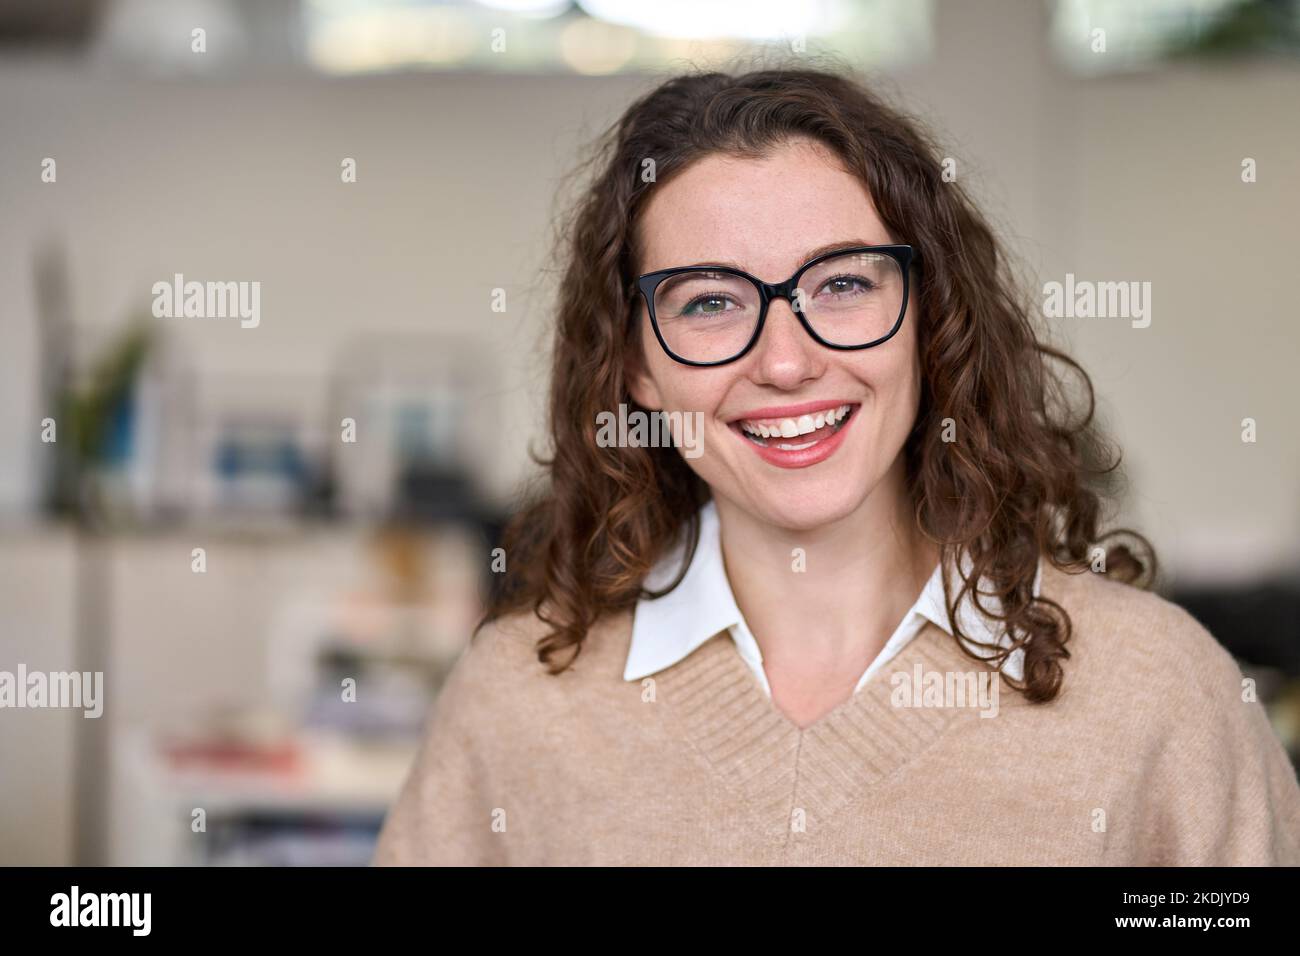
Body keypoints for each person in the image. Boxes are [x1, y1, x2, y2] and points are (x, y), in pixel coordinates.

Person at [372, 65, 1300, 865]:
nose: (784, 362)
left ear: (931, 326)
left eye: (844, 284)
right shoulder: (516, 704)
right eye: (708, 304)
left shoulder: (1158, 695)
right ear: (634, 368)